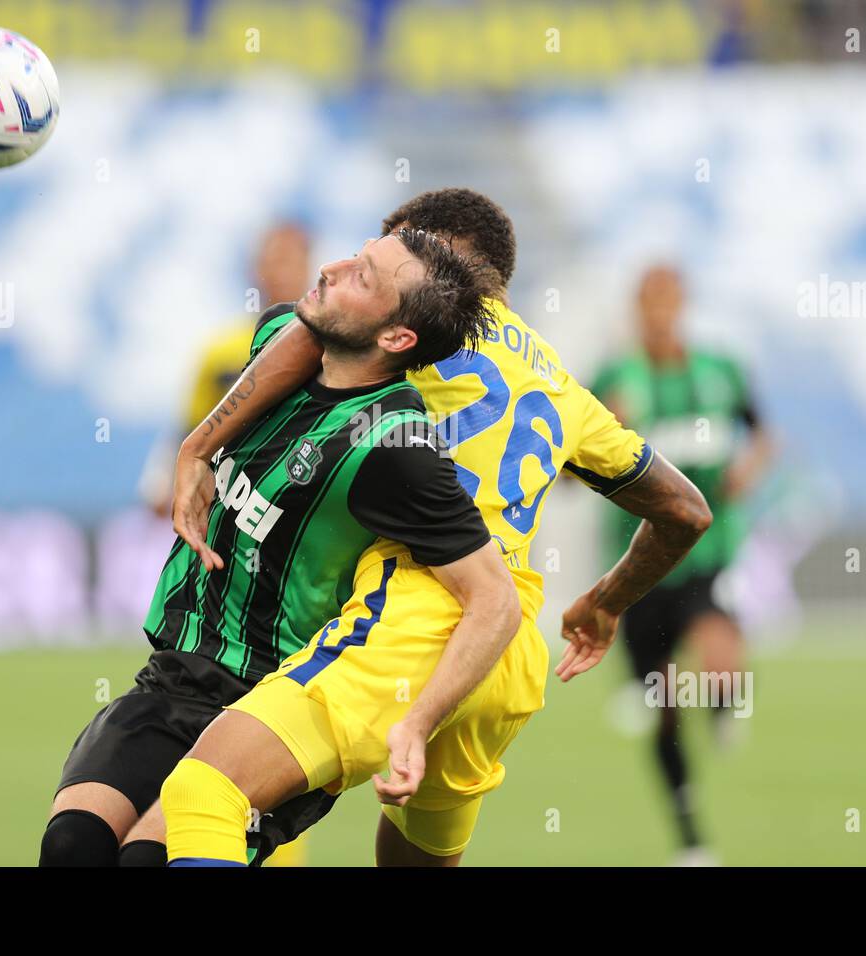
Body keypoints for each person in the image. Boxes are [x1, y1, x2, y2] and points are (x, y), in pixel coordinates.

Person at [163, 190, 712, 865]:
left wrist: (198, 445)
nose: (385, 270)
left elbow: (306, 331)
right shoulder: (560, 383)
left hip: (423, 613)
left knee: (205, 789)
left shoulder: (417, 328)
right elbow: (685, 512)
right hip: (509, 655)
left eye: (402, 254)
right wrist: (606, 602)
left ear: (444, 260)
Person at [40, 228, 505, 867]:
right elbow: (294, 332)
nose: (335, 268)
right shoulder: (275, 342)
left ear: (397, 338)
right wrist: (196, 448)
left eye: (364, 278)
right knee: (73, 844)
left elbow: (495, 602)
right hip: (180, 671)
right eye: (355, 256)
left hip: (273, 706)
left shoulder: (398, 448)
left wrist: (418, 723)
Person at [587, 263, 773, 864]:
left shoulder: (720, 370)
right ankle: (690, 833)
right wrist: (603, 436)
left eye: (668, 301)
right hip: (640, 568)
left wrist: (750, 467)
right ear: (637, 308)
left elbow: (763, 433)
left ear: (683, 304)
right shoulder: (616, 378)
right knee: (665, 707)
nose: (659, 312)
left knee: (721, 657)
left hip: (708, 554)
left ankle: (723, 705)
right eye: (649, 302)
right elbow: (569, 463)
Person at [139, 223, 312, 517]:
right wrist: (160, 483)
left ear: (309, 267)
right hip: (235, 503)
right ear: (256, 270)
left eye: (291, 261)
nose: (282, 273)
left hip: (303, 498)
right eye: (274, 261)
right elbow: (191, 428)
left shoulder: (330, 347)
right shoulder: (221, 352)